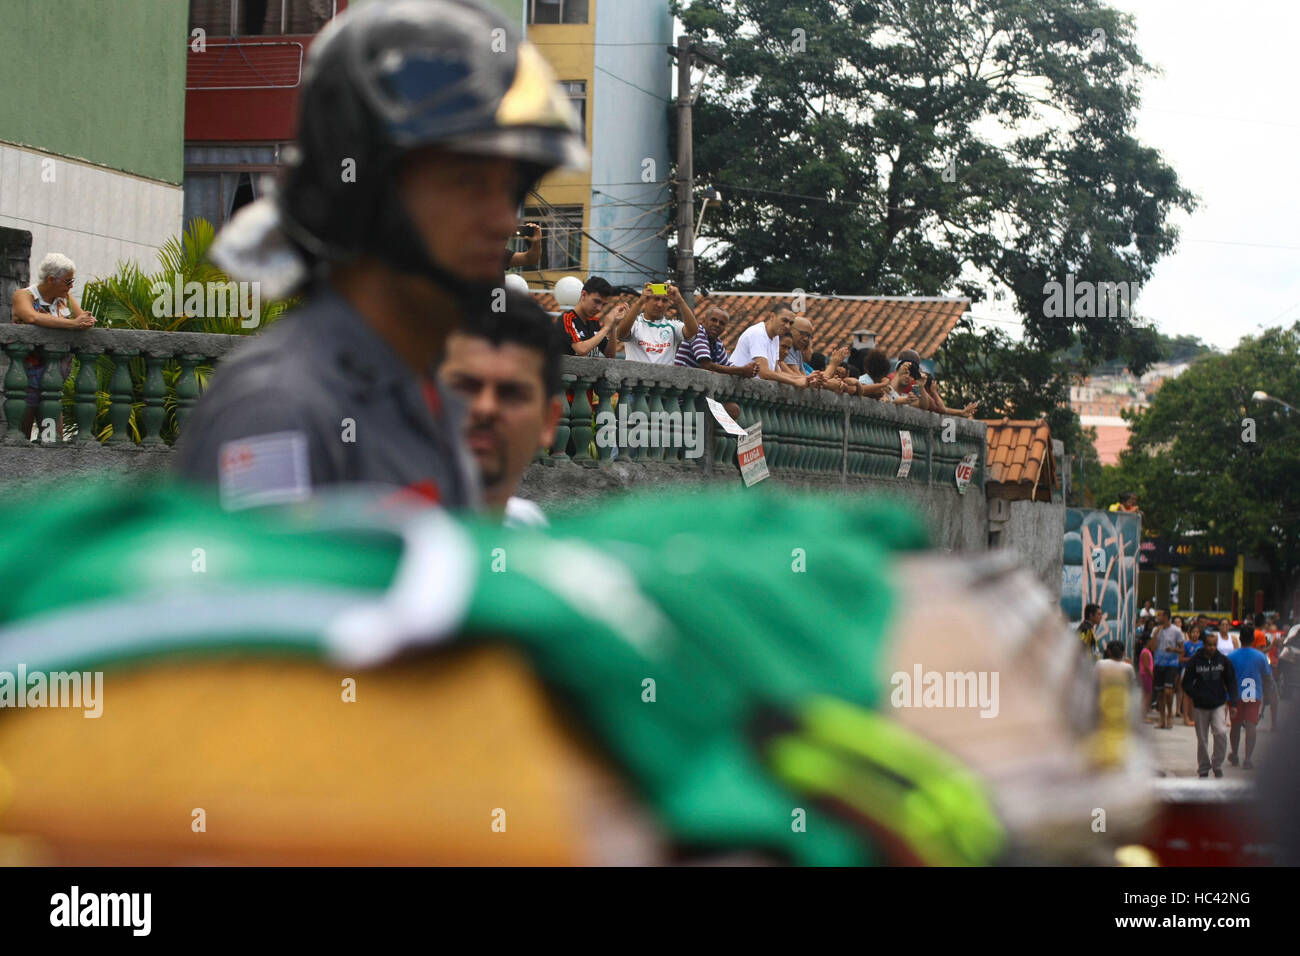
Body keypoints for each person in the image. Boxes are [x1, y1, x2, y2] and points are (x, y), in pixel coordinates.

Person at [173, 0, 585, 510]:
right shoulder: (279, 410)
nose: (503, 220)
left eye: (510, 190)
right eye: (469, 183)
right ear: (368, 193)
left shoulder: (424, 391)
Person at [438, 290, 564, 528]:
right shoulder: (365, 541)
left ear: (548, 422)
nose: (486, 408)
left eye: (511, 394)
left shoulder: (538, 541)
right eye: (465, 387)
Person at [9, 253, 98, 440]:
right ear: (51, 279)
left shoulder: (64, 297)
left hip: (53, 384)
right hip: (26, 384)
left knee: (52, 439)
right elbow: (32, 317)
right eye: (68, 281)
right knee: (20, 438)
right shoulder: (24, 295)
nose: (71, 286)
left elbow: (81, 317)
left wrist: (87, 320)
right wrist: (73, 324)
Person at [1181, 637, 1239, 777]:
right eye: (1209, 645)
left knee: (1220, 733)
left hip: (1218, 704)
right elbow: (1186, 683)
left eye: (1214, 645)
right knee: (1202, 739)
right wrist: (1196, 695)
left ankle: (1217, 764)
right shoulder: (1195, 661)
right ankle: (1203, 768)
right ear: (1204, 645)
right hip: (1200, 706)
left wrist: (1234, 704)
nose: (1212, 648)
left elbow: (1231, 682)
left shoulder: (1223, 661)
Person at [614, 282, 698, 365]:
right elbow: (621, 334)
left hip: (663, 378)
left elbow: (693, 331)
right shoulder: (635, 324)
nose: (660, 304)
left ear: (669, 304)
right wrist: (640, 302)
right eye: (656, 299)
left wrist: (680, 300)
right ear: (646, 300)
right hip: (635, 377)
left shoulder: (673, 326)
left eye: (664, 300)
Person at [727, 305, 809, 387]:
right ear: (772, 316)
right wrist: (795, 382)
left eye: (790, 323)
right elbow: (764, 373)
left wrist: (806, 379)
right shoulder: (758, 333)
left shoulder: (776, 337)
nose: (787, 326)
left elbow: (777, 372)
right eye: (784, 320)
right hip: (737, 387)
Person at [1226, 639, 1275, 770]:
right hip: (1253, 693)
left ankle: (1235, 754)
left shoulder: (1231, 656)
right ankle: (1247, 759)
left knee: (1235, 725)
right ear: (1253, 640)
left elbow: (1226, 676)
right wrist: (1268, 694)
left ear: (1241, 638)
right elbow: (1267, 677)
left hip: (1236, 695)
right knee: (1251, 725)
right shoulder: (1260, 656)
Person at [674, 306, 758, 380]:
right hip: (680, 386)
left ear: (725, 328)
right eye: (713, 320)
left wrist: (750, 370)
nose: (717, 324)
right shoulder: (697, 332)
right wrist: (742, 371)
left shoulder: (717, 343)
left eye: (721, 323)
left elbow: (727, 366)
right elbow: (706, 365)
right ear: (704, 321)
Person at [557, 276, 623, 359]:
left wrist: (613, 325)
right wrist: (606, 327)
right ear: (584, 294)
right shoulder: (568, 318)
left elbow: (610, 355)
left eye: (603, 304)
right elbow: (581, 350)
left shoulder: (594, 322)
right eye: (596, 301)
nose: (599, 308)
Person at [1151, 609, 1184, 730]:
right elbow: (1153, 647)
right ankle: (1162, 719)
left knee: (1168, 691)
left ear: (1166, 617)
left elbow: (1182, 649)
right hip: (1158, 664)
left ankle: (1170, 713)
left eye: (1160, 615)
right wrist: (1155, 634)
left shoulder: (1176, 631)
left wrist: (1173, 650)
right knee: (1160, 692)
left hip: (1171, 664)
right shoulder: (1156, 630)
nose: (1157, 617)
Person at [1178, 623, 1204, 727]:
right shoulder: (1186, 644)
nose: (1195, 634)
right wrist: (1192, 659)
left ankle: (1193, 717)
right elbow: (1180, 659)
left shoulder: (1202, 644)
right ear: (1189, 633)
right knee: (1186, 694)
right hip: (1187, 670)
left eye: (1197, 632)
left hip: (1199, 671)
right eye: (1193, 632)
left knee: (1195, 695)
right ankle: (1186, 717)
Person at [1137, 633, 1155, 724]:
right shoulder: (1145, 652)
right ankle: (1143, 716)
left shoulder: (1147, 651)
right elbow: (1146, 667)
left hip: (1146, 675)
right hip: (1146, 675)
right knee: (1146, 696)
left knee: (1147, 695)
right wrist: (1153, 675)